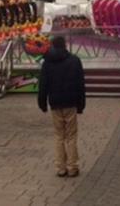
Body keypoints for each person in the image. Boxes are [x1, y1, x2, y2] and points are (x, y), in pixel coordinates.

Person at [37, 36, 85, 177]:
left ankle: (60, 168)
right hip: (70, 102)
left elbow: (43, 85)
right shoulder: (75, 61)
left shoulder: (47, 63)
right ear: (65, 45)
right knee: (71, 135)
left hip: (55, 103)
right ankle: (72, 167)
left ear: (52, 45)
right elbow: (80, 85)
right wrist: (81, 105)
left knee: (59, 136)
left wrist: (42, 103)